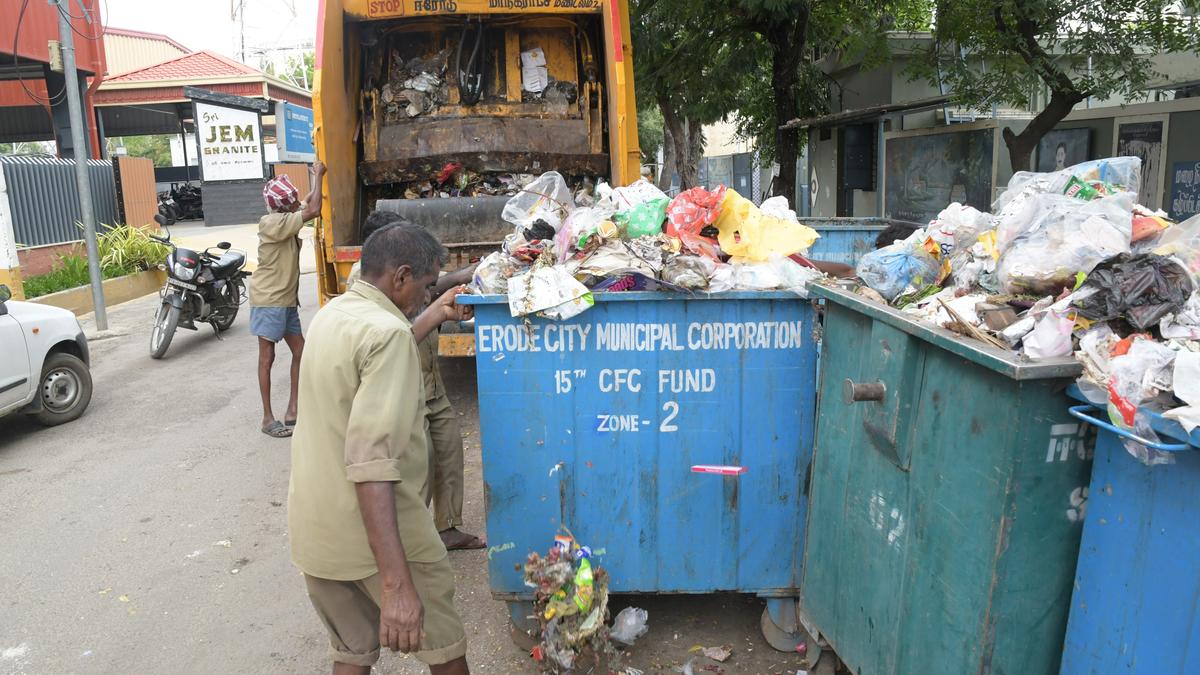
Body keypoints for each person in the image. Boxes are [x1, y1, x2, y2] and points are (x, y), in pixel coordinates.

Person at [290, 224, 473, 674]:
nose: (426, 297)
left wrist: (431, 316)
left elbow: (378, 356)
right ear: (401, 277)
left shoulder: (335, 314)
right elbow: (371, 467)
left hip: (319, 533)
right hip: (381, 537)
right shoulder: (388, 334)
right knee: (445, 652)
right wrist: (395, 585)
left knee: (351, 655)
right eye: (428, 286)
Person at [347, 211, 484, 551]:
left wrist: (456, 283)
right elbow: (400, 338)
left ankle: (447, 527)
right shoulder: (363, 289)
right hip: (410, 388)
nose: (424, 293)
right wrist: (437, 309)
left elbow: (427, 286)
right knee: (415, 470)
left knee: (448, 453)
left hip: (432, 382)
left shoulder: (404, 280)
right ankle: (410, 541)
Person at [250, 163, 325, 438]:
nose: (297, 201)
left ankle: (293, 409)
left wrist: (311, 187)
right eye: (292, 199)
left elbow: (306, 202)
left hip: (285, 300)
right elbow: (313, 209)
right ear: (283, 206)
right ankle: (267, 419)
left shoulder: (285, 215)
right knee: (267, 358)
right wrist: (317, 176)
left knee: (300, 351)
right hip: (269, 300)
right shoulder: (273, 223)